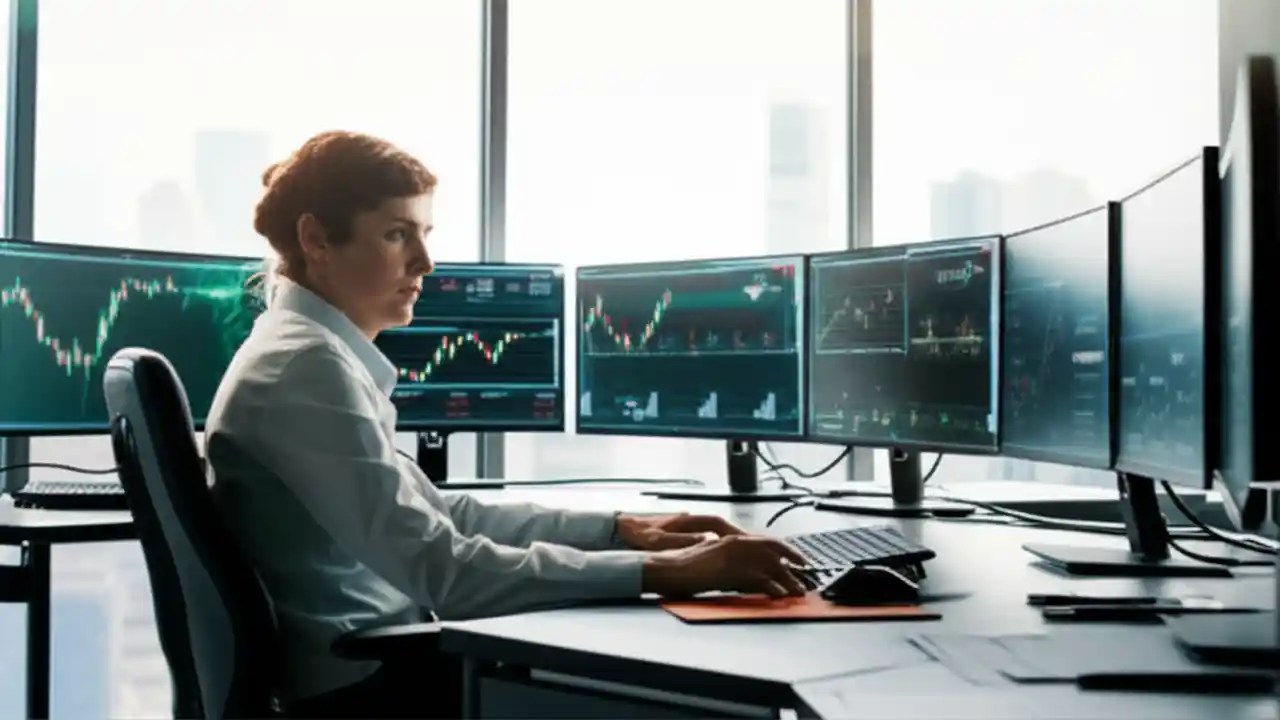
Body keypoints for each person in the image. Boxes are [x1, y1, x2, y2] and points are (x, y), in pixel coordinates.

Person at [203, 130, 807, 716]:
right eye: (395, 234)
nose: (425, 261)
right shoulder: (305, 369)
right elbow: (445, 571)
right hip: (369, 687)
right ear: (316, 238)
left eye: (425, 234)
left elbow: (439, 515)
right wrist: (668, 571)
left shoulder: (304, 352)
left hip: (381, 663)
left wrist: (623, 532)